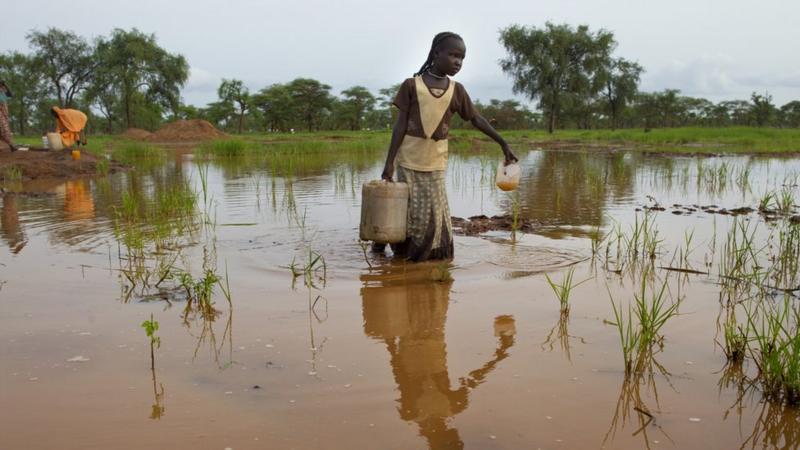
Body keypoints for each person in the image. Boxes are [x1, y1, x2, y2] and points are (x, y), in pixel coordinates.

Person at [378, 32, 517, 261]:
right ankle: (398, 253)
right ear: (436, 53)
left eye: (462, 58)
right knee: (407, 211)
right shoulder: (412, 85)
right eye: (453, 55)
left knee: (433, 213)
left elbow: (476, 119)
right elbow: (400, 125)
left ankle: (427, 260)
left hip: (435, 162)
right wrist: (389, 162)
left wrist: (503, 143)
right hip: (409, 160)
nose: (458, 62)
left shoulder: (457, 90)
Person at [0, 80, 19, 152]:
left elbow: (10, 95)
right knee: (4, 128)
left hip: (4, 113)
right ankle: (11, 145)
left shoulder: (2, 92)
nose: (1, 86)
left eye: (2, 85)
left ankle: (11, 145)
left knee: (3, 129)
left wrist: (6, 85)